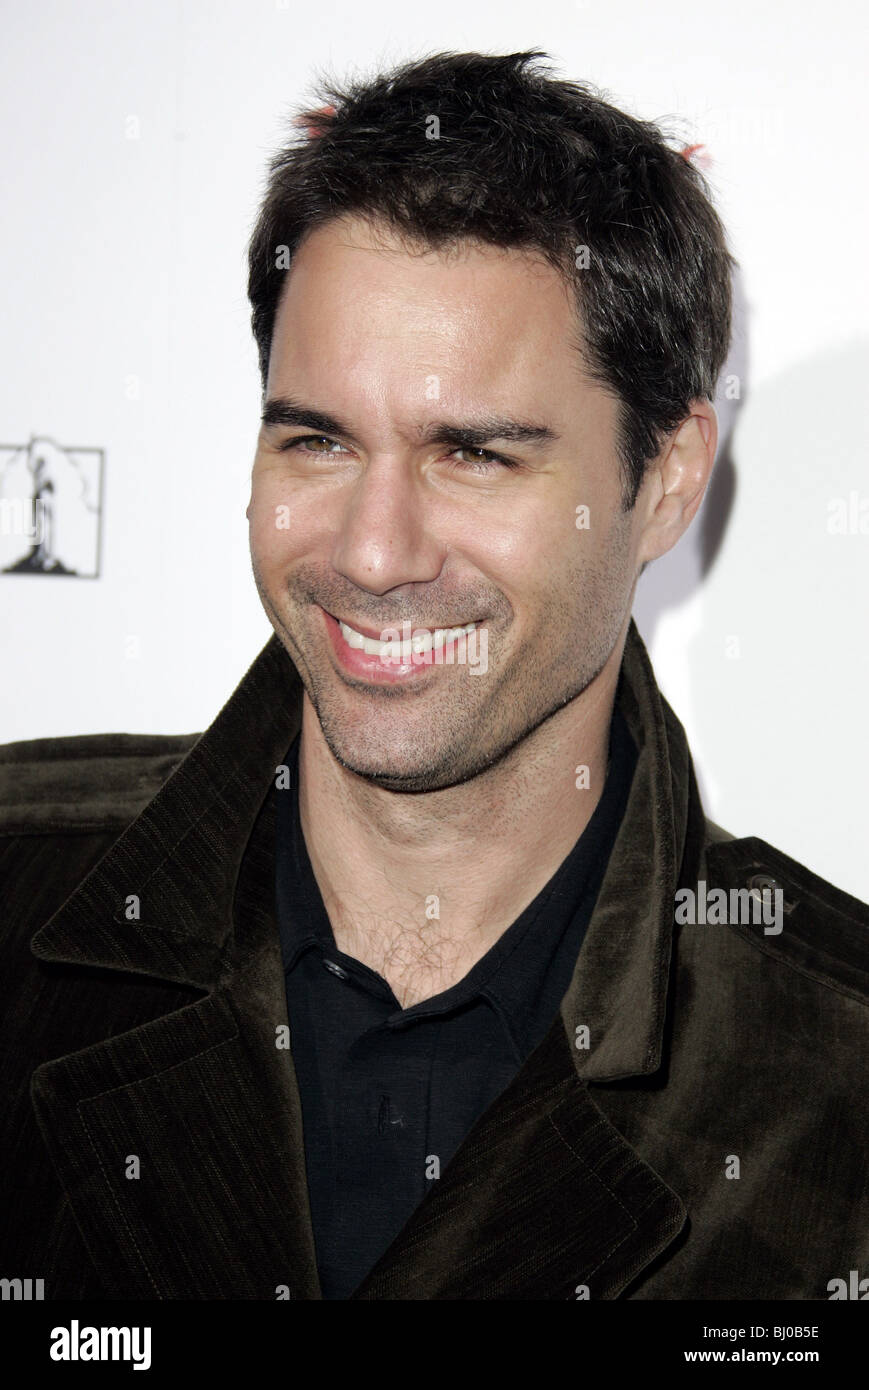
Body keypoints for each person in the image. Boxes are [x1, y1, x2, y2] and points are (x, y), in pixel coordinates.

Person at [1, 49, 866, 1302]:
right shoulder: (19, 889)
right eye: (318, 440)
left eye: (473, 455)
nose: (372, 552)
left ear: (665, 480)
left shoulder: (834, 1072)